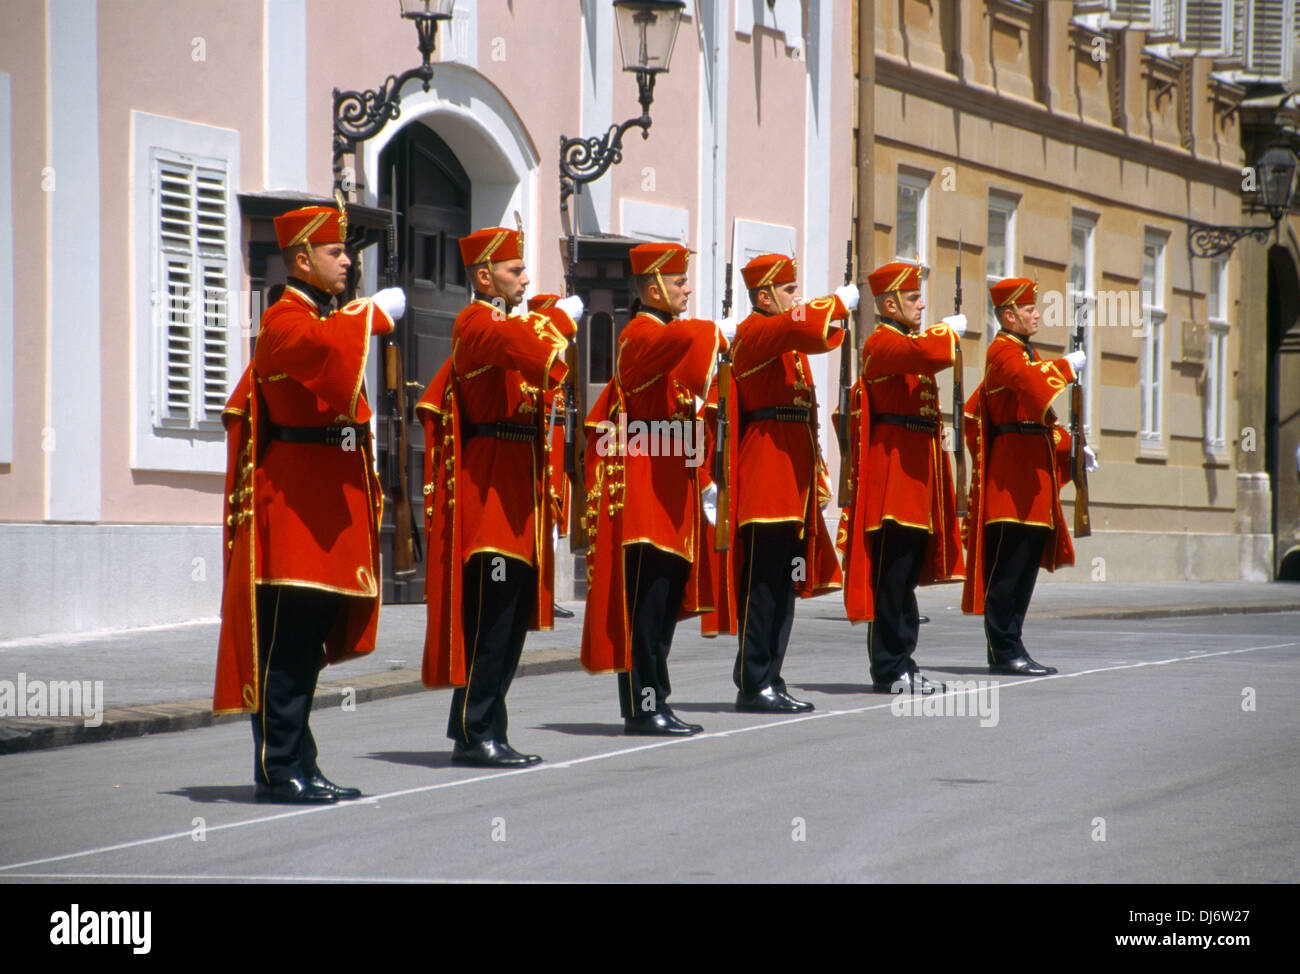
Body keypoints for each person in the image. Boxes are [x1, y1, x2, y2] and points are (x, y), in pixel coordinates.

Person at [215, 203, 406, 804]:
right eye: (337, 252)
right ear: (302, 259)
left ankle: (300, 759)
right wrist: (366, 314)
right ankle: (278, 767)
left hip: (323, 505)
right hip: (294, 507)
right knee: (288, 646)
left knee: (305, 647)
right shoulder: (282, 319)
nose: (349, 261)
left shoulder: (320, 315)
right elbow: (323, 352)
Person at [416, 227, 581, 767]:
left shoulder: (509, 320)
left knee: (510, 628)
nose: (526, 279)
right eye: (516, 271)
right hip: (488, 502)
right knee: (490, 624)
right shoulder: (476, 321)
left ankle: (487, 726)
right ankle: (474, 730)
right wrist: (556, 320)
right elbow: (527, 349)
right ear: (484, 275)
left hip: (519, 500)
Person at [581, 242, 724, 735]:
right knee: (645, 610)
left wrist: (703, 481)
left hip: (673, 490)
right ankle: (645, 706)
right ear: (651, 287)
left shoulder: (669, 334)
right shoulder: (640, 333)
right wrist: (712, 332)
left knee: (661, 608)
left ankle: (655, 701)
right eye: (678, 279)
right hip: (644, 493)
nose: (687, 287)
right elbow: (673, 351)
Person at [719, 253, 857, 713]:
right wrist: (835, 301)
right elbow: (802, 324)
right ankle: (753, 680)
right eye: (789, 290)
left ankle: (770, 676)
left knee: (783, 586)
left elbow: (819, 337)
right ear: (763, 296)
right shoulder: (758, 332)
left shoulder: (787, 344)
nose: (796, 298)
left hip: (791, 484)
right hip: (765, 483)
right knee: (763, 587)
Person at [837, 261, 966, 693]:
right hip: (892, 480)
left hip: (917, 478)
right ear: (890, 303)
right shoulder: (880, 344)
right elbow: (926, 354)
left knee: (905, 578)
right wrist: (948, 331)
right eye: (913, 297)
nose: (922, 303)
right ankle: (891, 667)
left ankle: (902, 662)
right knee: (892, 581)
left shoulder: (905, 341)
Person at [961, 278, 1094, 675]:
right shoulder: (1002, 352)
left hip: (1032, 479)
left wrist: (1073, 448)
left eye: (1035, 307)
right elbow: (1033, 387)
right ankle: (1003, 650)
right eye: (1028, 308)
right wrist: (1065, 367)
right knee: (1007, 571)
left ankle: (1013, 643)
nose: (1036, 313)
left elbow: (1040, 419)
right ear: (1007, 315)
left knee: (1024, 571)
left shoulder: (1025, 352)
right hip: (1010, 480)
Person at [528, 292, 577, 620]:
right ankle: (537, 593)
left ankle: (546, 592)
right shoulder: (536, 356)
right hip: (543, 438)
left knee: (557, 520)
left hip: (558, 437)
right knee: (545, 511)